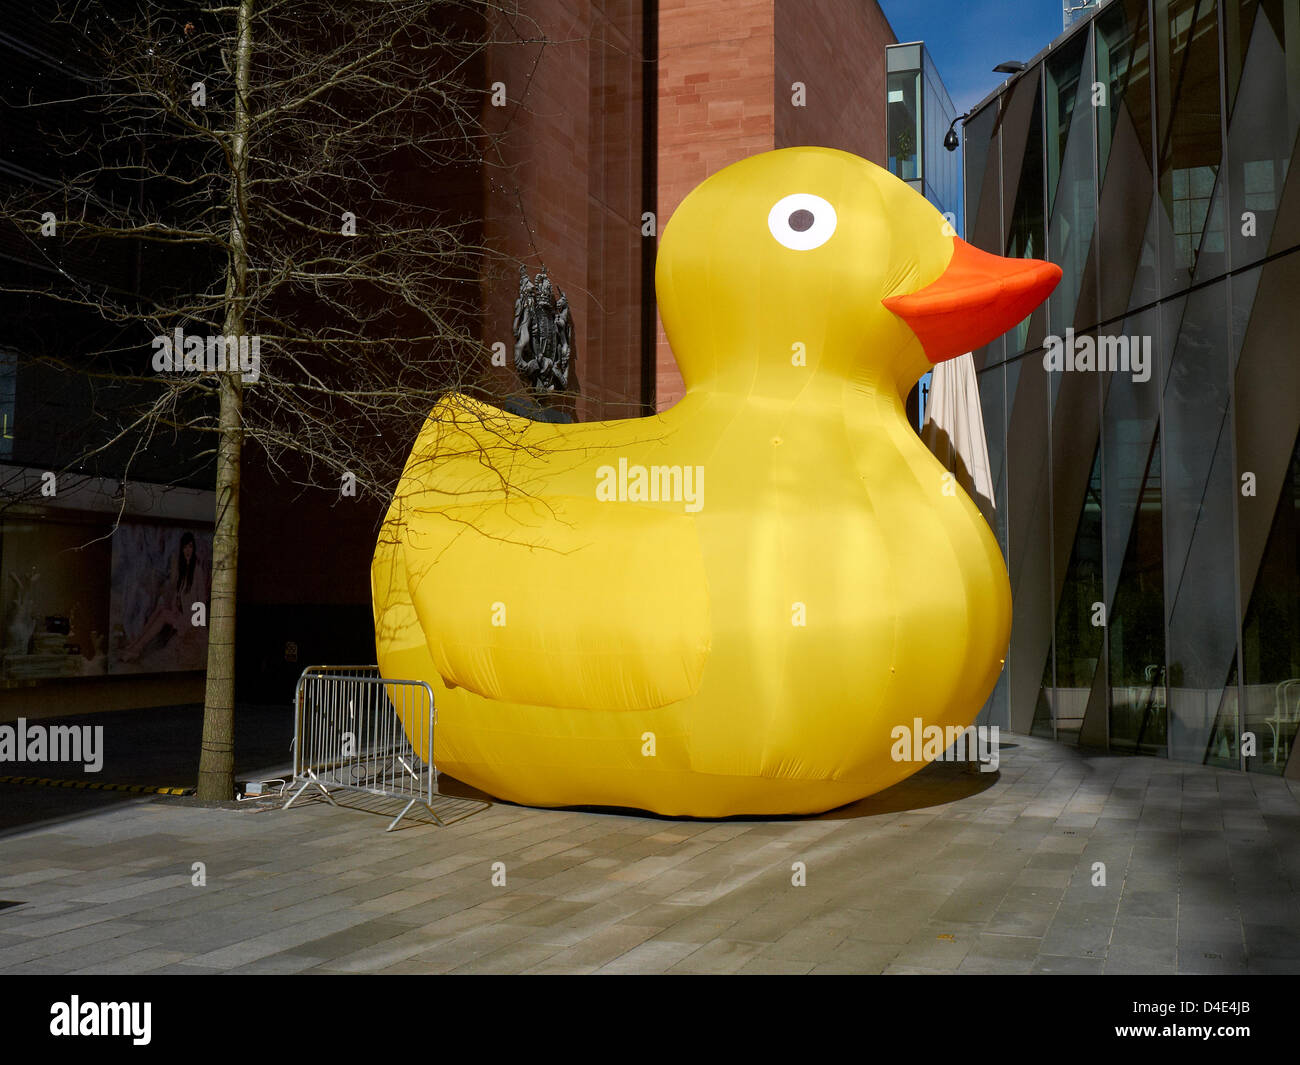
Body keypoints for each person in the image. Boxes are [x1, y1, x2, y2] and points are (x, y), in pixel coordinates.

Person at [119, 532, 208, 664]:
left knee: (163, 615)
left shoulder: (197, 570)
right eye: (185, 547)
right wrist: (175, 607)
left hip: (192, 621)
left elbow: (201, 600)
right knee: (161, 609)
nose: (187, 550)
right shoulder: (184, 570)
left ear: (193, 548)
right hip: (183, 616)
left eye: (190, 547)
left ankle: (137, 647)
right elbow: (178, 596)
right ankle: (135, 645)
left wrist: (196, 624)